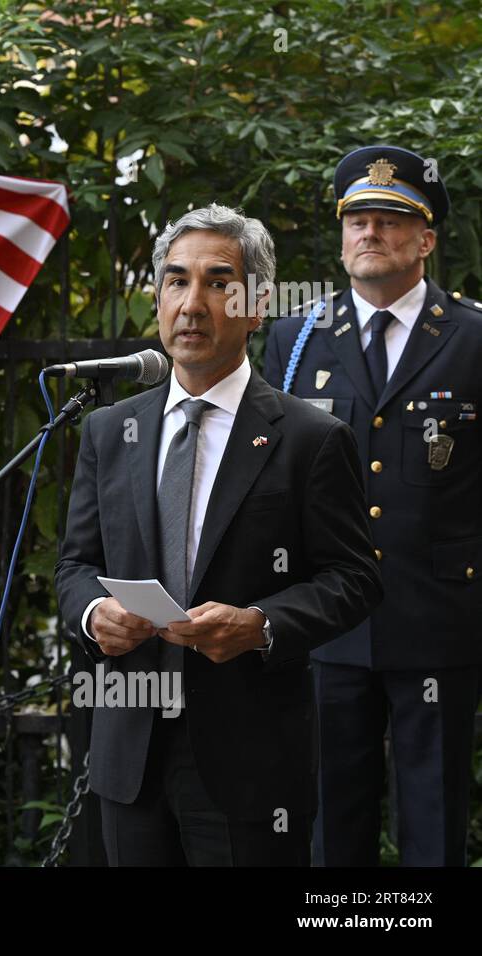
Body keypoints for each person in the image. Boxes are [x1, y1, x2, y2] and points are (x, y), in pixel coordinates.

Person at [55, 204, 382, 866]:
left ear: (258, 305)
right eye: (176, 282)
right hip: (131, 758)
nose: (192, 304)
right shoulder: (109, 431)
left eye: (217, 282)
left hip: (251, 762)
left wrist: (261, 622)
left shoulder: (312, 439)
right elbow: (74, 567)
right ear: (157, 298)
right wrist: (95, 614)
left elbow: (355, 579)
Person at [263, 145, 482, 866]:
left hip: (440, 618)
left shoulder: (473, 337)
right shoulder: (294, 340)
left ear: (426, 239)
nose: (370, 233)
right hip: (326, 622)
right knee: (331, 823)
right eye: (357, 218)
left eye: (391, 220)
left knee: (435, 821)